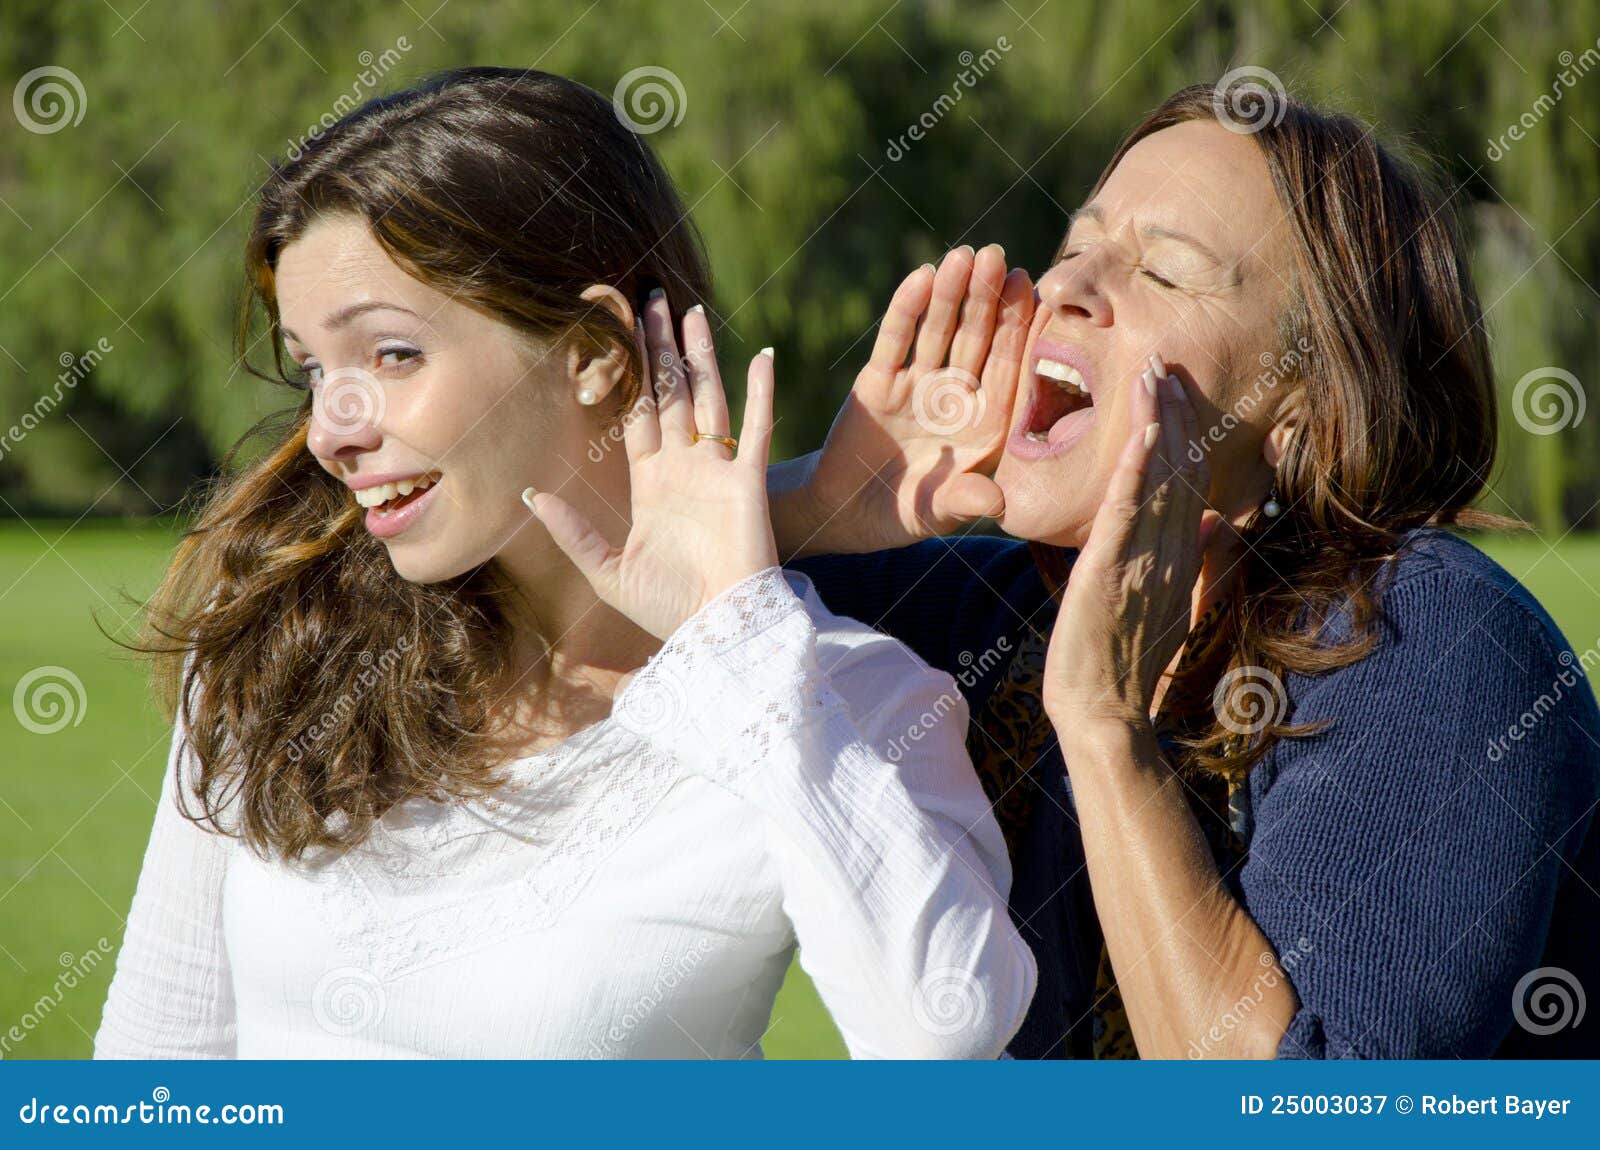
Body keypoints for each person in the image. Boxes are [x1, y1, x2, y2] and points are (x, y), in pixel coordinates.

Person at [93, 67, 1035, 1060]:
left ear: (592, 352)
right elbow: (159, 1058)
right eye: (315, 369)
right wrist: (795, 501)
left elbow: (942, 1031)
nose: (330, 430)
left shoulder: (826, 699)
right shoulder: (281, 642)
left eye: (394, 354)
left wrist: (734, 631)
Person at [753, 82, 1600, 1058]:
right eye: (1075, 246)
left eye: (1162, 271)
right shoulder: (1001, 617)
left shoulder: (1432, 641)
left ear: (1304, 410)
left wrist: (1106, 729)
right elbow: (633, 608)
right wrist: (830, 501)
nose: (1067, 286)